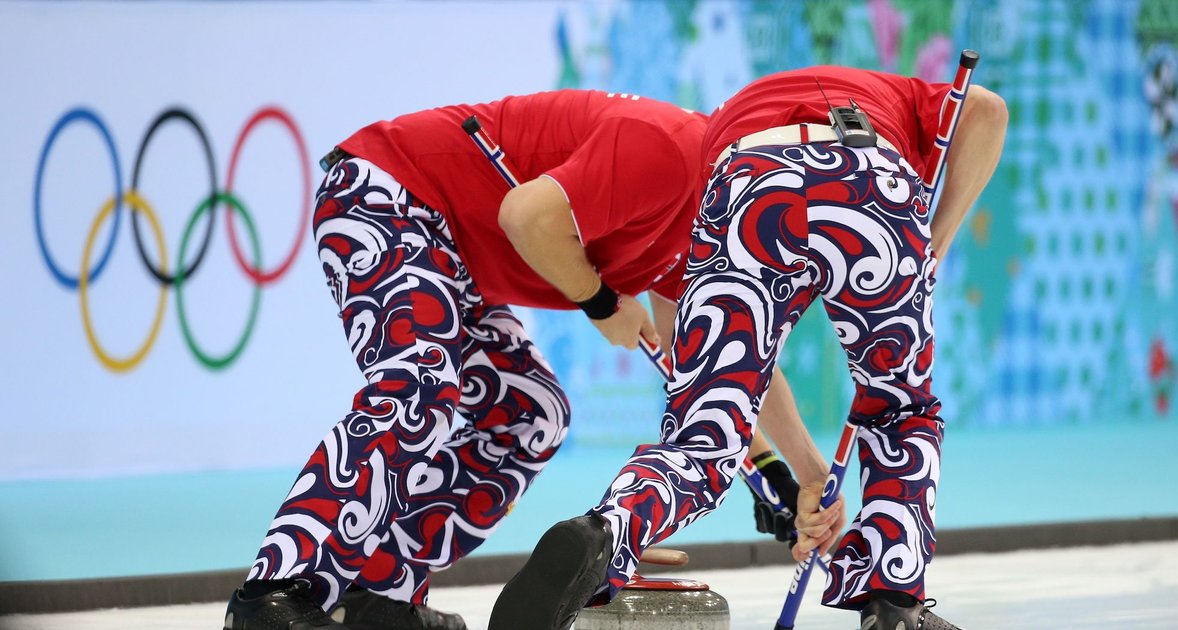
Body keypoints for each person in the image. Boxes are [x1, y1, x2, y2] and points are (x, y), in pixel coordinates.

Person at [221, 88, 833, 630]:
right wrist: (600, 301)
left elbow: (717, 360)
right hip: (388, 194)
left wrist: (784, 468)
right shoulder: (669, 147)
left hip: (458, 262)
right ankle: (274, 592)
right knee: (419, 386)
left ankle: (378, 590)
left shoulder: (718, 219)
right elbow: (527, 217)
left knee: (532, 413)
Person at [489, 65, 1008, 630]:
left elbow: (734, 367)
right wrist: (938, 239)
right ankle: (893, 604)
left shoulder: (727, 122)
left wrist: (810, 476)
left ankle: (606, 532)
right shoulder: (901, 97)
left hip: (746, 180)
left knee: (704, 432)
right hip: (872, 178)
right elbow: (986, 110)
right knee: (898, 410)